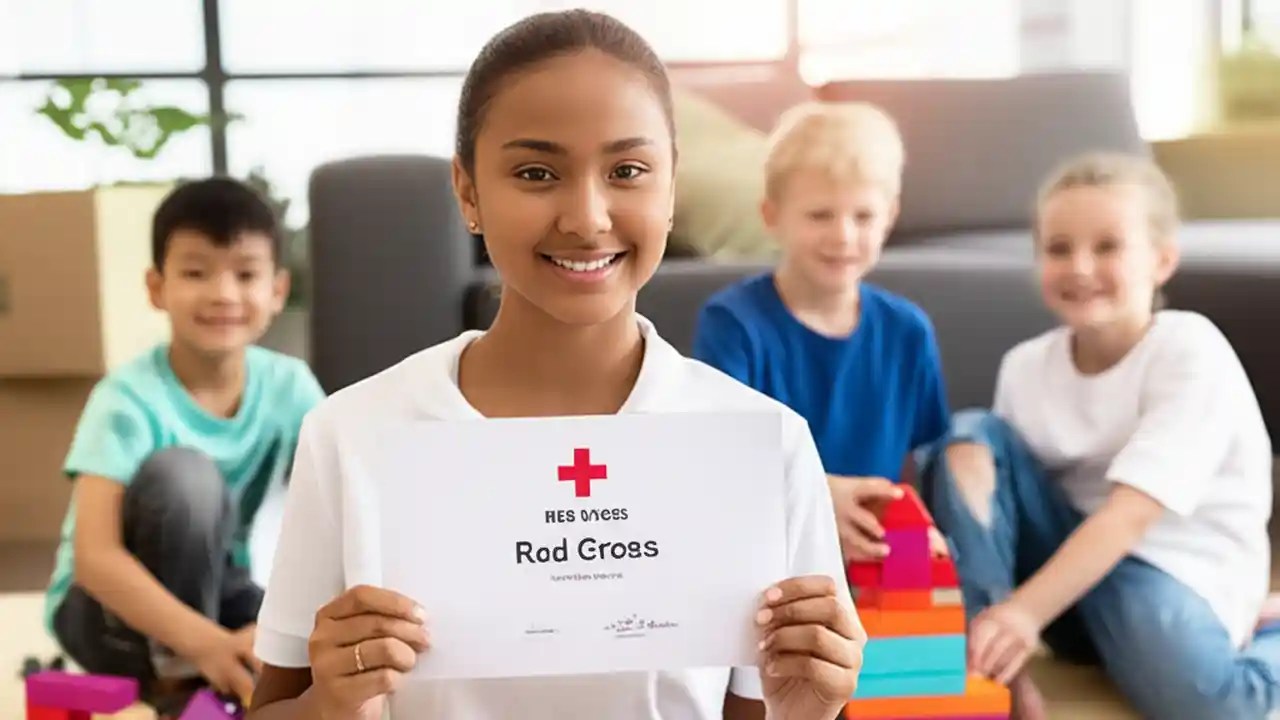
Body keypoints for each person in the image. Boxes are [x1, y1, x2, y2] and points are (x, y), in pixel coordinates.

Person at [246, 10, 862, 720]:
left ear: (670, 187)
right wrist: (329, 707)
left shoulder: (763, 446)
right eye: (536, 173)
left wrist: (806, 714)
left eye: (627, 171)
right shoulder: (353, 435)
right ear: (468, 192)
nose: (587, 218)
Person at [920, 152, 1280, 719]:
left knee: (1221, 709)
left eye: (1108, 247)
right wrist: (1006, 614)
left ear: (1162, 260)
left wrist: (1027, 612)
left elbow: (1131, 516)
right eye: (1059, 249)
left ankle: (1273, 628)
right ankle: (991, 664)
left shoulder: (1189, 349)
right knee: (969, 436)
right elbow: (999, 512)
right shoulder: (1024, 366)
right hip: (1071, 579)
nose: (1080, 267)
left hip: (1172, 567)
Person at [44, 177, 326, 711]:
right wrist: (205, 646)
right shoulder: (126, 398)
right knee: (186, 478)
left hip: (217, 592)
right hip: (107, 613)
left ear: (277, 290)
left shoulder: (289, 386)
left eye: (246, 274)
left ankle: (205, 678)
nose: (223, 293)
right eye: (196, 273)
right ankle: (184, 689)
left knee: (302, 653)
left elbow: (338, 499)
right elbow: (94, 559)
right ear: (156, 287)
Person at [691, 101, 950, 564]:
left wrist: (917, 539)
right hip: (770, 547)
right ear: (772, 216)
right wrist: (821, 494)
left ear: (890, 216)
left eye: (863, 216)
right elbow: (718, 460)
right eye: (819, 215)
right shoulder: (732, 323)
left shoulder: (908, 330)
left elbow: (917, 464)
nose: (843, 236)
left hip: (877, 550)